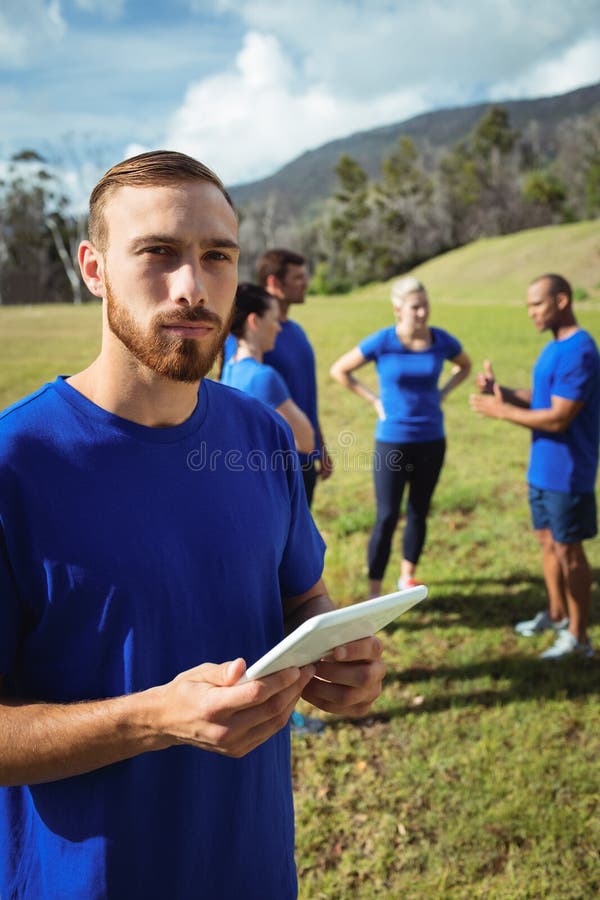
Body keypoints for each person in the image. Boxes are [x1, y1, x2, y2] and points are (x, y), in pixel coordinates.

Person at [0, 150, 385, 899]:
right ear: (93, 267)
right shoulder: (17, 466)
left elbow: (300, 596)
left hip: (255, 868)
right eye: (158, 254)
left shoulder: (260, 434)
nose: (192, 287)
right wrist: (155, 718)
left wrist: (338, 646)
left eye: (216, 257)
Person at [470, 273, 599, 660]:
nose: (531, 313)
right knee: (547, 543)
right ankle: (557, 614)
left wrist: (501, 411)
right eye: (528, 306)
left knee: (569, 553)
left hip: (568, 472)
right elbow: (543, 398)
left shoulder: (581, 351)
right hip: (541, 469)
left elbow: (559, 417)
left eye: (537, 305)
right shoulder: (553, 348)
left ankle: (579, 637)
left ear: (562, 301)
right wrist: (504, 393)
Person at [330, 276, 471, 598]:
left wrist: (444, 392)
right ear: (398, 309)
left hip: (432, 439)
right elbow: (340, 370)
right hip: (392, 440)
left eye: (425, 306)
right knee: (387, 515)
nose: (422, 313)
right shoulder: (383, 341)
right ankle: (374, 591)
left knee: (419, 510)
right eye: (415, 307)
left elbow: (464, 366)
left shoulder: (441, 340)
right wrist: (374, 400)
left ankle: (407, 576)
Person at [227, 248, 332, 507]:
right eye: (298, 277)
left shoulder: (296, 332)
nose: (306, 283)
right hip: (278, 468)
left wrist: (321, 443)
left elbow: (304, 393)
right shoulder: (248, 343)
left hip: (305, 456)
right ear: (273, 282)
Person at [220, 282, 315, 454]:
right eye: (274, 320)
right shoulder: (263, 377)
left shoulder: (230, 368)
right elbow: (306, 442)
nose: (279, 328)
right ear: (254, 321)